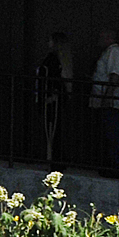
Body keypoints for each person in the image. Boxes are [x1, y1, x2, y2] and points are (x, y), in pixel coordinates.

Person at [90, 28, 119, 171]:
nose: (98, 40)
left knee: (114, 136)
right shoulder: (109, 52)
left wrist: (107, 97)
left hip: (113, 103)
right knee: (110, 135)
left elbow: (115, 75)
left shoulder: (115, 52)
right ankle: (111, 165)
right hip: (110, 102)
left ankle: (116, 168)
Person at [35, 30, 74, 164]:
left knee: (52, 129)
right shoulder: (59, 59)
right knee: (54, 130)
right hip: (53, 98)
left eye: (50, 40)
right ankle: (54, 158)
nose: (48, 43)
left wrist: (52, 95)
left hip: (51, 100)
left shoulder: (53, 59)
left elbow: (54, 79)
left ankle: (53, 159)